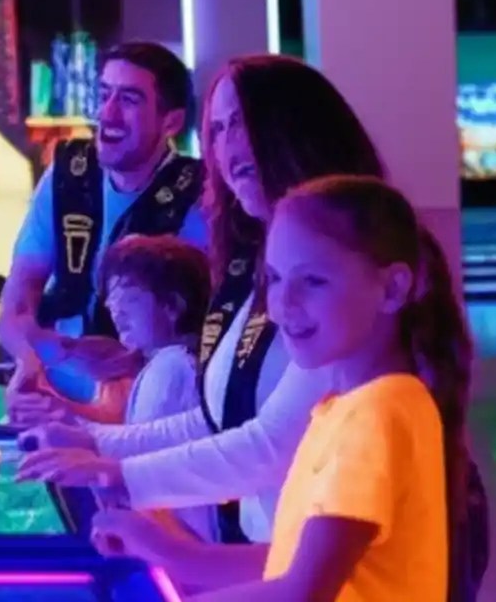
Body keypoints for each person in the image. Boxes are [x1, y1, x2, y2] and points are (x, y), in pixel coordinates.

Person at [16, 55, 387, 555]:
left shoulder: (354, 262)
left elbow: (270, 445)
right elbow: (216, 417)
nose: (229, 145)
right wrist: (92, 441)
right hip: (270, 549)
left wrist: (122, 476)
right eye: (217, 129)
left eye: (242, 122)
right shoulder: (249, 263)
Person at [97, 175, 473, 602]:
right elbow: (292, 563)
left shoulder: (381, 411)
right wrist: (170, 551)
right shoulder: (339, 409)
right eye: (274, 278)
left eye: (313, 280)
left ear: (392, 287)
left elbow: (302, 592)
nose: (283, 303)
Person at [0, 42, 209, 418]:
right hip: (48, 384)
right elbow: (19, 294)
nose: (108, 113)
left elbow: (197, 332)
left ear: (171, 122)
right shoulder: (66, 173)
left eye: (129, 99)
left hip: (142, 405)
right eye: (104, 94)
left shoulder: (198, 193)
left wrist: (129, 360)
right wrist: (29, 360)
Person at [26, 233, 218, 541]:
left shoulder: (171, 367)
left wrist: (78, 434)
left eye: (128, 297)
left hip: (180, 538)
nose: (115, 310)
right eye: (111, 299)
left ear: (173, 305)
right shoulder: (165, 364)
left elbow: (145, 456)